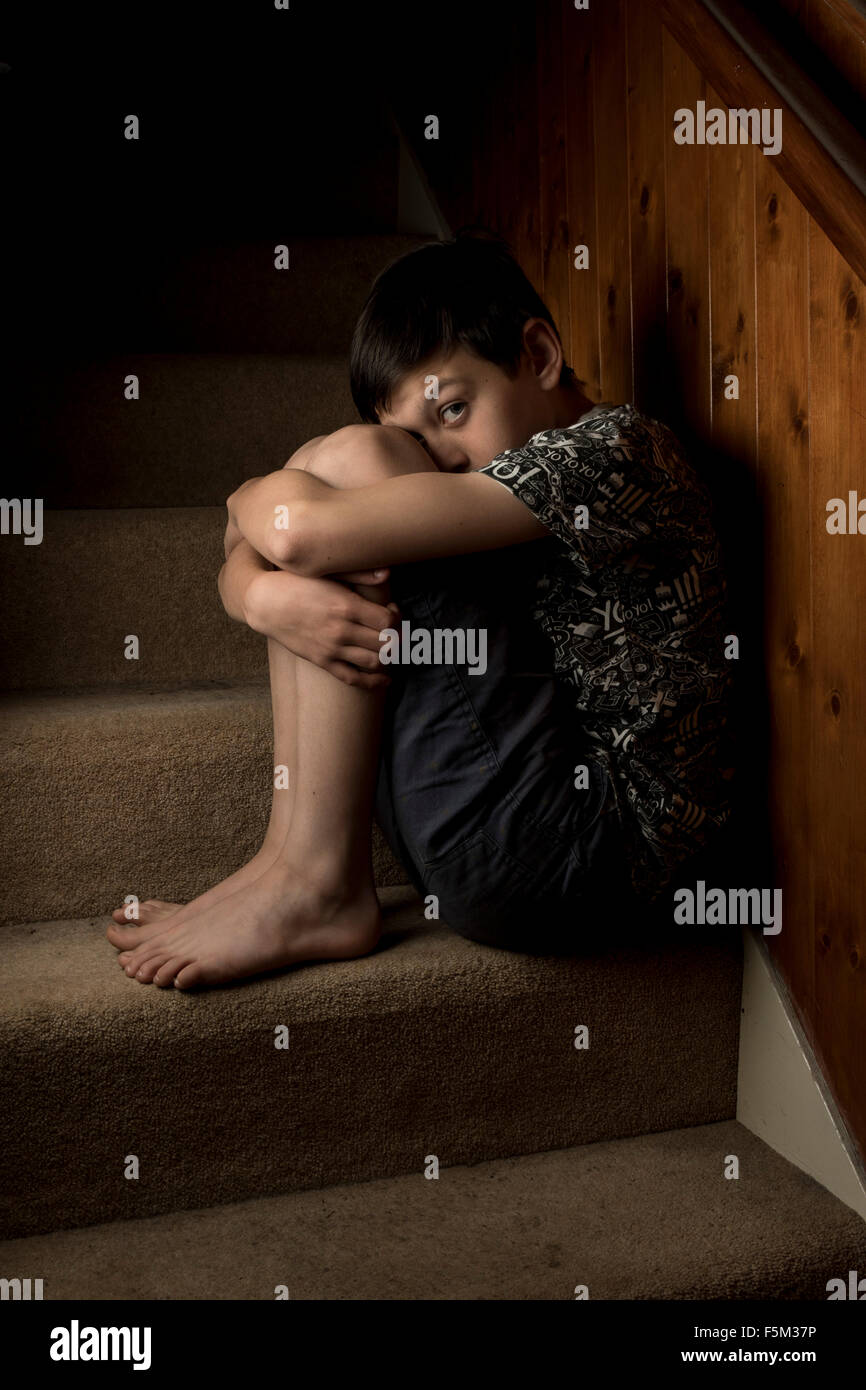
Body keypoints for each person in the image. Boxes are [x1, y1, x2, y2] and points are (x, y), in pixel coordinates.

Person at [106, 229, 735, 988]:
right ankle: (286, 861)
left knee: (354, 464)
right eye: (420, 435)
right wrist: (257, 592)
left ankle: (314, 880)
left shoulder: (616, 451)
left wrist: (253, 549)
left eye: (455, 410)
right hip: (507, 831)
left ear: (536, 355)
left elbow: (289, 529)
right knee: (341, 466)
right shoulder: (522, 467)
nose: (443, 456)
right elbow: (281, 536)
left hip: (589, 853)